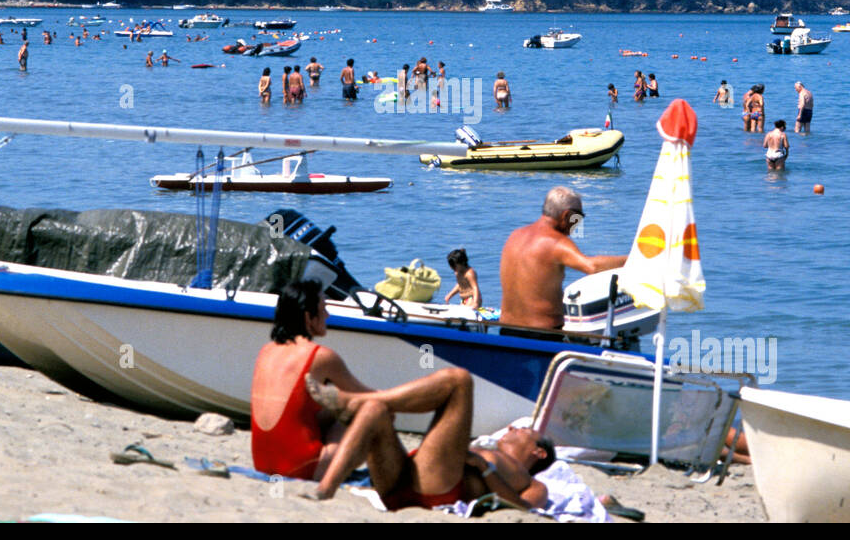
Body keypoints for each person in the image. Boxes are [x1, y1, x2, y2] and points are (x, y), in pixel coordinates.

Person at [251, 281, 551, 509]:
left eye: (526, 430)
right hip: (397, 477)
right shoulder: (490, 447)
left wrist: (486, 469)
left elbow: (523, 509)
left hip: (432, 488)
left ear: (539, 452)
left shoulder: (534, 483)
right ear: (308, 317)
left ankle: (360, 403)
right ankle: (326, 487)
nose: (514, 426)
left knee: (459, 380)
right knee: (373, 411)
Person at [499, 186, 628, 331]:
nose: (578, 223)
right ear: (566, 215)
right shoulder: (556, 242)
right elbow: (591, 266)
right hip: (542, 335)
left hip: (506, 331)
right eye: (578, 217)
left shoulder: (514, 236)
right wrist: (633, 259)